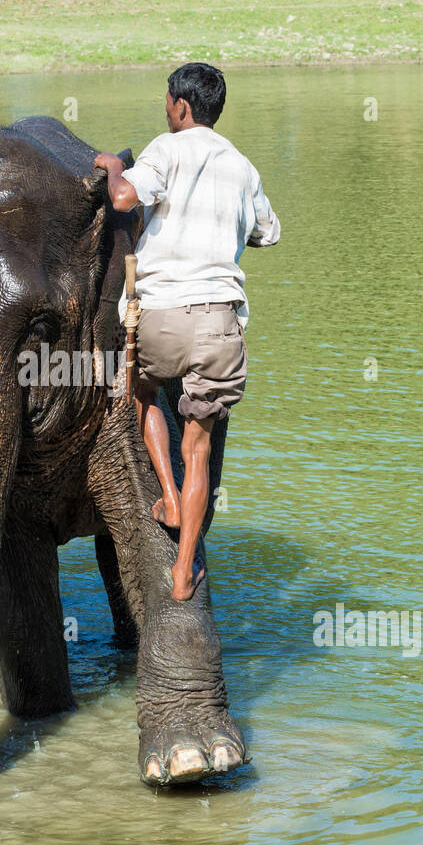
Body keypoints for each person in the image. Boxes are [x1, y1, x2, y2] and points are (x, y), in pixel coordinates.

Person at [94, 61, 281, 601]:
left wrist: (111, 168)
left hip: (161, 317)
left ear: (180, 106)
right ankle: (183, 570)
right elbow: (269, 233)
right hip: (221, 323)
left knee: (143, 390)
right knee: (198, 447)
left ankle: (169, 497)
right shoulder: (242, 166)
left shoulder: (167, 148)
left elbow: (126, 199)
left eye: (167, 103)